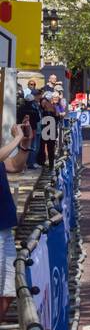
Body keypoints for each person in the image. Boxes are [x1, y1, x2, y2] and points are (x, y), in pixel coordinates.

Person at [0, 122, 33, 319]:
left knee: (8, 291)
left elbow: (14, 165)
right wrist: (17, 137)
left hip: (4, 227)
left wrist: (25, 145)